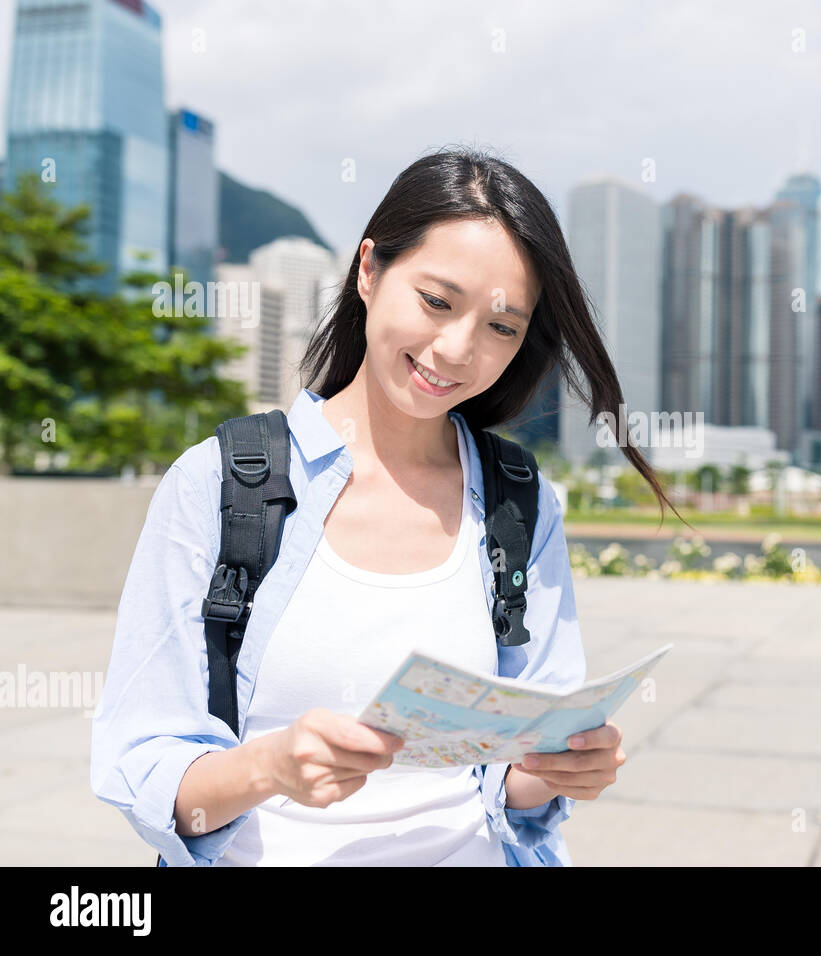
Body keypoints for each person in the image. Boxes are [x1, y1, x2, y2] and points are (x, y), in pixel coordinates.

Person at [90, 146, 683, 866]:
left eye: (502, 326)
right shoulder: (216, 484)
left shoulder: (520, 500)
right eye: (437, 301)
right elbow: (144, 768)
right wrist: (269, 769)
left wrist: (553, 771)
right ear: (368, 270)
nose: (457, 349)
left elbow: (514, 775)